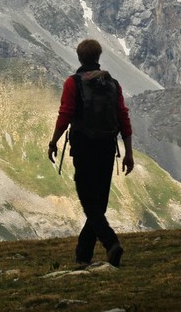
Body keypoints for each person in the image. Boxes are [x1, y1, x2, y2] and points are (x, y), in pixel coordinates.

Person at [47, 39, 134, 267]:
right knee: (99, 205)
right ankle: (83, 256)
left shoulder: (72, 83)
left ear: (79, 57)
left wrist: (53, 141)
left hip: (84, 148)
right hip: (107, 148)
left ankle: (110, 242)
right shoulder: (113, 84)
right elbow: (123, 117)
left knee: (89, 203)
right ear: (98, 56)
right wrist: (129, 152)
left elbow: (65, 114)